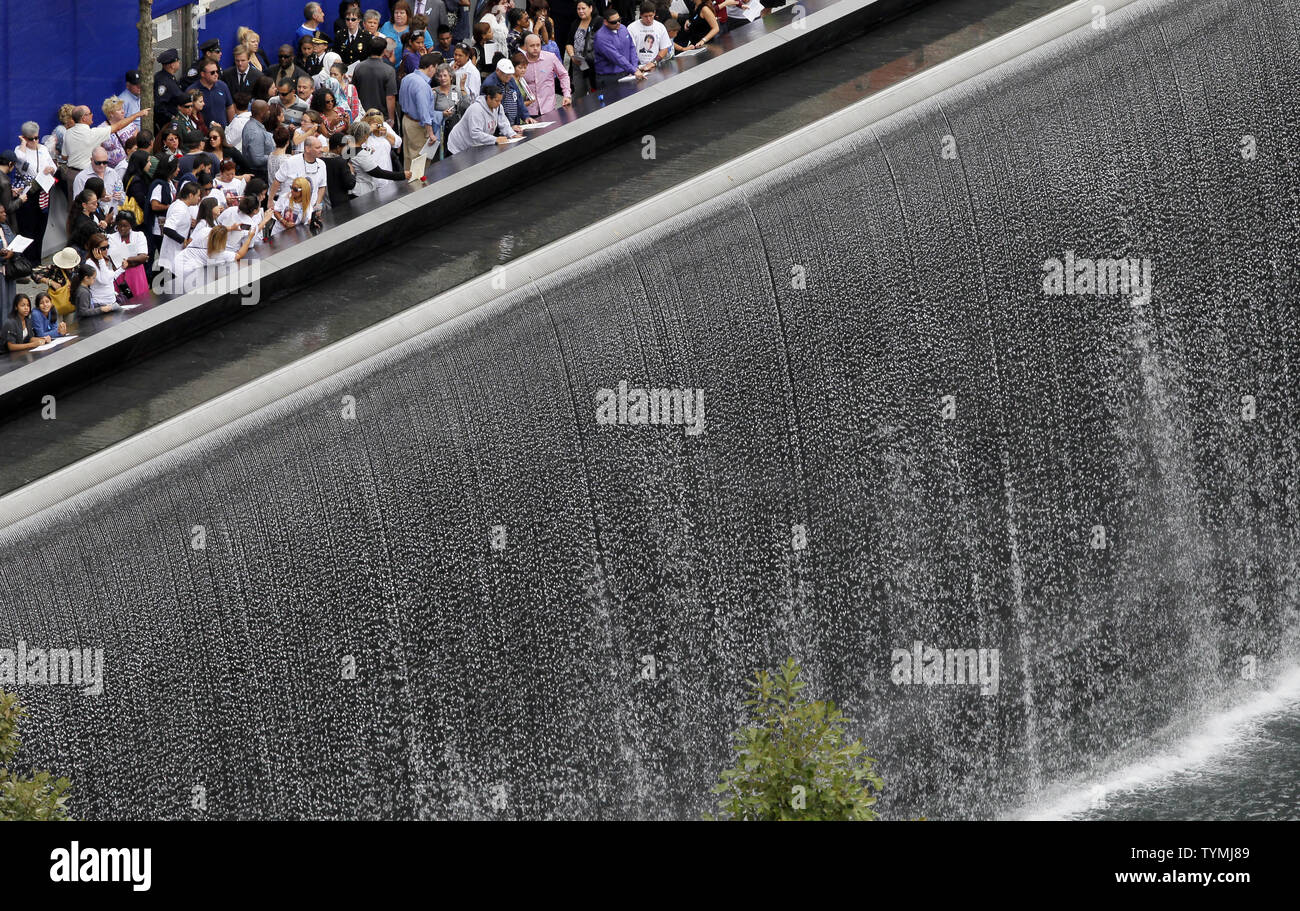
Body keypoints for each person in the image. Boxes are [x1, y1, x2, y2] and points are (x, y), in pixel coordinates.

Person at [64, 104, 149, 187]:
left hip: (71, 175)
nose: (92, 115)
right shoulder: (93, 133)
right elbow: (118, 126)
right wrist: (138, 114)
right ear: (84, 118)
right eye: (90, 113)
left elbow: (64, 156)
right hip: (88, 176)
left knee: (74, 201)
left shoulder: (67, 133)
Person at [13, 122, 57, 260]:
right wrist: (23, 144)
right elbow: (19, 158)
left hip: (43, 191)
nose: (35, 141)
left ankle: (37, 260)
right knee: (27, 230)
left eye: (37, 138)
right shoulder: (20, 150)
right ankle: (26, 261)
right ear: (25, 138)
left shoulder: (43, 149)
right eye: (31, 139)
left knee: (40, 227)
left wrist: (51, 169)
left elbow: (53, 167)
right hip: (28, 193)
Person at [399, 53, 445, 169]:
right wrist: (430, 133)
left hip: (406, 120)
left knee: (408, 157)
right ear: (431, 67)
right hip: (417, 125)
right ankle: (417, 186)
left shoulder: (407, 78)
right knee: (419, 160)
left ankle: (409, 184)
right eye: (436, 69)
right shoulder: (422, 85)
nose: (436, 73)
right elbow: (424, 112)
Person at [446, 83, 520, 154]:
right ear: (488, 98)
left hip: (476, 145)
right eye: (496, 101)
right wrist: (495, 139)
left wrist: (512, 134)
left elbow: (503, 123)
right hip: (459, 145)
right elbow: (475, 133)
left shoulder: (498, 107)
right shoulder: (476, 109)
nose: (499, 103)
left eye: (500, 101)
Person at [270, 136, 328, 217]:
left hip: (309, 212)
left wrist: (318, 205)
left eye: (321, 147)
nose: (321, 150)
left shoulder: (322, 164)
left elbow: (322, 186)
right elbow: (277, 181)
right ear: (307, 149)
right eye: (318, 147)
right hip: (288, 211)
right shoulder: (290, 162)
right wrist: (270, 201)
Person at [347, 121, 410, 196]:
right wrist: (402, 175)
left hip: (355, 190)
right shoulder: (361, 155)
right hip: (362, 192)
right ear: (366, 137)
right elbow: (378, 173)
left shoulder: (348, 148)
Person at [521, 34, 571, 115]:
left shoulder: (550, 57)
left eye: (538, 45)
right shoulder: (520, 61)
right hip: (529, 111)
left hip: (549, 108)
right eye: (532, 46)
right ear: (525, 47)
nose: (535, 48)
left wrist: (567, 95)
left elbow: (563, 75)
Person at [158, 181, 201, 275]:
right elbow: (167, 229)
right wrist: (183, 241)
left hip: (173, 255)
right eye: (198, 195)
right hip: (172, 255)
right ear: (190, 195)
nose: (199, 198)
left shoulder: (179, 205)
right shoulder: (180, 209)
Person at [593, 9, 645, 87]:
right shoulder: (600, 37)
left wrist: (634, 67)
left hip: (626, 72)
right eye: (614, 22)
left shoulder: (623, 28)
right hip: (609, 78)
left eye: (619, 20)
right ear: (605, 22)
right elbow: (615, 57)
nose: (618, 23)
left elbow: (631, 47)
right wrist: (633, 70)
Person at [353, 36, 399, 122]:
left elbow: (354, 91)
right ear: (384, 50)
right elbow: (390, 97)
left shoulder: (358, 67)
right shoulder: (389, 70)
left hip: (362, 116)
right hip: (381, 117)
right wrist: (391, 118)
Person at [147, 157, 180, 270]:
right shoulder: (159, 185)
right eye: (176, 168)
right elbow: (154, 205)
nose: (178, 170)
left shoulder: (169, 183)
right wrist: (170, 207)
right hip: (158, 228)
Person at [72, 149, 125, 219]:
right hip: (93, 220)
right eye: (98, 163)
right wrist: (99, 199)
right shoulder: (81, 178)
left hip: (113, 218)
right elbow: (77, 203)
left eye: (105, 162)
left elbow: (122, 198)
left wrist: (120, 196)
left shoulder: (113, 173)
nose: (102, 165)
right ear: (91, 160)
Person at [566, 1, 602, 99]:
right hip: (578, 64)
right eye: (578, 9)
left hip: (593, 65)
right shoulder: (575, 23)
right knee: (577, 97)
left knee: (594, 96)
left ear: (591, 8)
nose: (581, 11)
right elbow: (569, 43)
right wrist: (573, 56)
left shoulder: (598, 22)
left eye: (583, 8)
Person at [84, 233, 126, 312]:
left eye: (107, 247)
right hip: (100, 304)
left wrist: (122, 269)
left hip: (112, 301)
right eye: (103, 248)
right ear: (94, 250)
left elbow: (111, 279)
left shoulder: (106, 259)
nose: (106, 250)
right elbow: (104, 280)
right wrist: (100, 260)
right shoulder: (90, 263)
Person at [483, 60, 531, 127]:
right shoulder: (490, 83)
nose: (509, 76)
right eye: (506, 74)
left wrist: (526, 116)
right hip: (499, 127)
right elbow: (492, 109)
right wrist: (507, 127)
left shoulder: (510, 79)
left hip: (513, 123)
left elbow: (518, 99)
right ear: (497, 70)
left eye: (510, 74)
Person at [628, 2, 671, 70]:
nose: (648, 19)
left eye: (651, 15)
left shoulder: (660, 27)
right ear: (641, 15)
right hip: (637, 66)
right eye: (646, 16)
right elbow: (630, 49)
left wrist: (654, 62)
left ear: (654, 13)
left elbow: (664, 48)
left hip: (655, 65)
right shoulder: (631, 28)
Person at [242, 101, 275, 183]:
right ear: (261, 113)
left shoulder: (255, 126)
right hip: (258, 176)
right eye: (267, 110)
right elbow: (257, 159)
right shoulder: (255, 131)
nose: (269, 112)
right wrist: (275, 156)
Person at [154, 48, 188, 125]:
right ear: (172, 65)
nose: (179, 62)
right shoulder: (163, 81)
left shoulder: (170, 77)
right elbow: (160, 106)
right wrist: (171, 117)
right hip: (167, 123)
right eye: (177, 61)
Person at [0, 208, 18, 320]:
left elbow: (14, 243)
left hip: (9, 269)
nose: (4, 214)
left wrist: (12, 253)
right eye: (1, 212)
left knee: (11, 301)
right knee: (2, 303)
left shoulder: (6, 227)